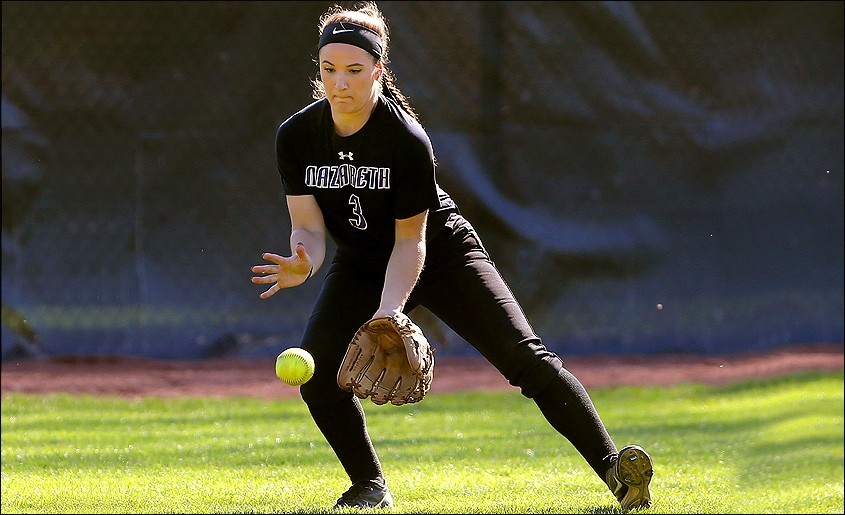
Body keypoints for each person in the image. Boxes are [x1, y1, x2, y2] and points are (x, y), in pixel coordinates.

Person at [251, 2, 654, 511]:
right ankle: (369, 487)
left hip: (441, 253)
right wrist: (302, 261)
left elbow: (410, 242)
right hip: (360, 264)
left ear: (378, 70)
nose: (340, 84)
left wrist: (388, 311)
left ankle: (616, 472)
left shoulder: (405, 140)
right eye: (329, 70)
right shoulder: (297, 136)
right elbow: (308, 227)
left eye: (354, 71)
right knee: (320, 375)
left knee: (525, 359)